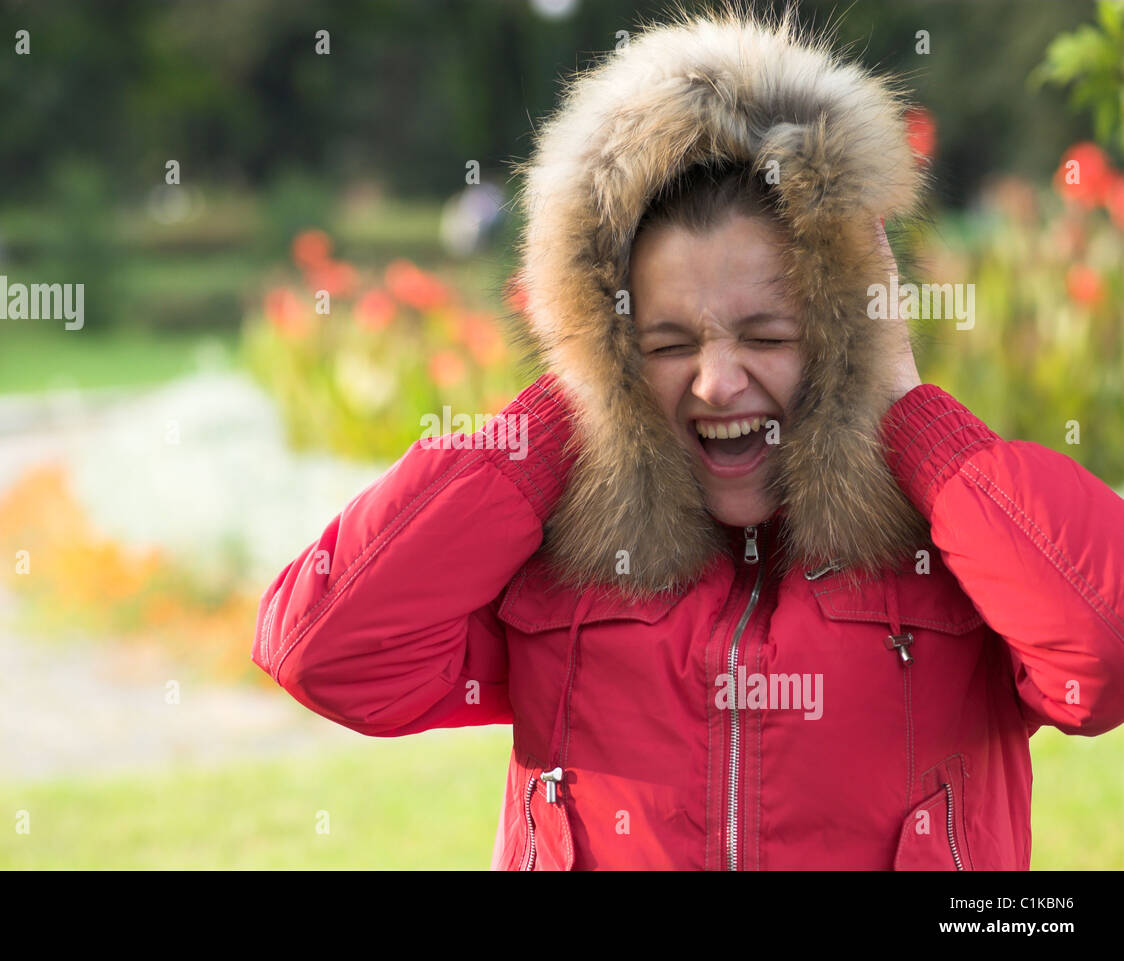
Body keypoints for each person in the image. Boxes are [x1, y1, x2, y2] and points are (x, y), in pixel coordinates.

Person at [252, 7, 1124, 869]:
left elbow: (1104, 653)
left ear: (842, 331)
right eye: (666, 343)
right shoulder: (563, 549)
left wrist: (905, 408)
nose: (716, 381)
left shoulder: (949, 549)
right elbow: (325, 650)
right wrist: (580, 387)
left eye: (767, 336)